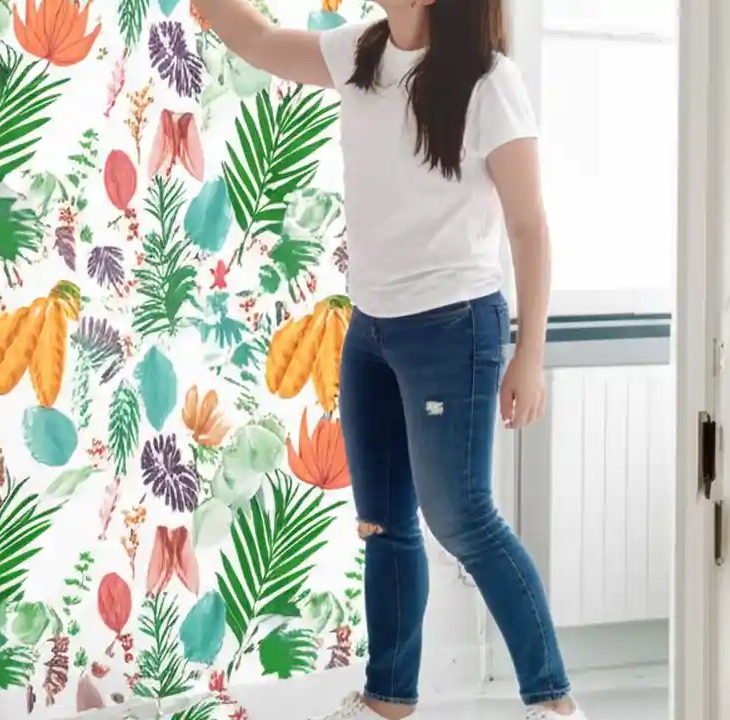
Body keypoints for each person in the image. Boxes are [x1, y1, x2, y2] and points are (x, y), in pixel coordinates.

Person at [190, 0, 581, 718]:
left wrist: (531, 354)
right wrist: (217, 8)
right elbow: (266, 41)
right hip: (371, 328)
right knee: (384, 524)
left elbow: (529, 225)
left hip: (453, 326)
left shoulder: (487, 82)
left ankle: (552, 702)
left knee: (462, 519)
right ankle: (388, 699)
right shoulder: (359, 53)